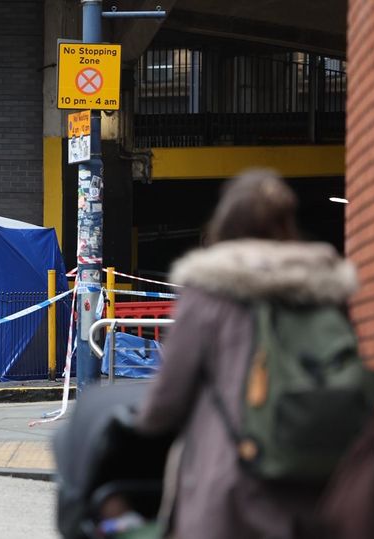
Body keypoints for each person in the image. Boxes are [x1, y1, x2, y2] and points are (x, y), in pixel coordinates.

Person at [136, 169, 358, 538]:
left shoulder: (208, 292)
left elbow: (166, 400)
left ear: (226, 223)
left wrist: (144, 423)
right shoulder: (327, 289)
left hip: (227, 487)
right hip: (316, 486)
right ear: (288, 223)